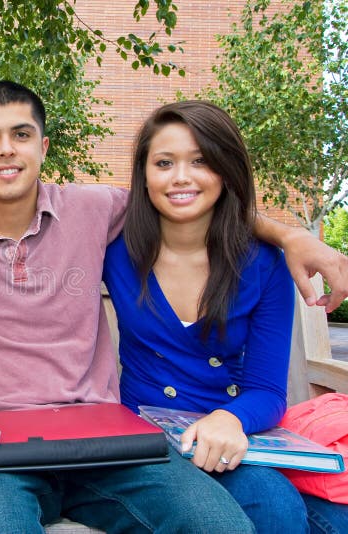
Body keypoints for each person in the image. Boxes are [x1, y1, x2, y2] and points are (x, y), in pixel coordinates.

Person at [0, 80, 348, 533]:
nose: (6, 149)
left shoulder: (94, 208)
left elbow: (190, 199)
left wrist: (290, 235)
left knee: (217, 523)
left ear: (43, 148)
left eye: (21, 134)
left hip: (104, 441)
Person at [103, 100, 348, 534]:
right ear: (144, 174)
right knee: (275, 509)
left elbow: (268, 390)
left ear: (225, 169)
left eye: (201, 161)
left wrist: (230, 418)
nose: (181, 177)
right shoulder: (114, 250)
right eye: (164, 162)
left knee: (288, 509)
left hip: (231, 434)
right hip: (144, 436)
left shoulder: (262, 265)